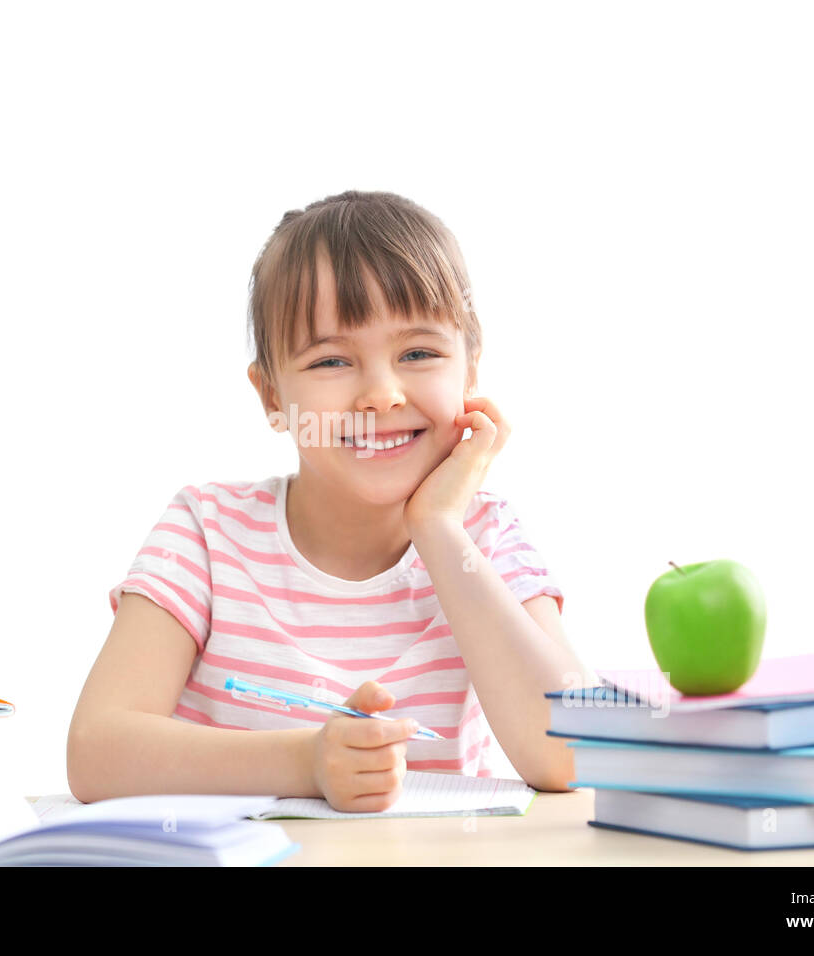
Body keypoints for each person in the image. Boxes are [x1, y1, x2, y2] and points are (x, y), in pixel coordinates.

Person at [67, 190, 596, 812]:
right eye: (332, 360)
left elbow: (577, 753)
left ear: (470, 370)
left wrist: (437, 527)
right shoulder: (208, 531)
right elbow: (96, 753)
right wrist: (306, 761)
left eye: (419, 353)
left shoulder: (484, 538)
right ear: (270, 395)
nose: (381, 394)